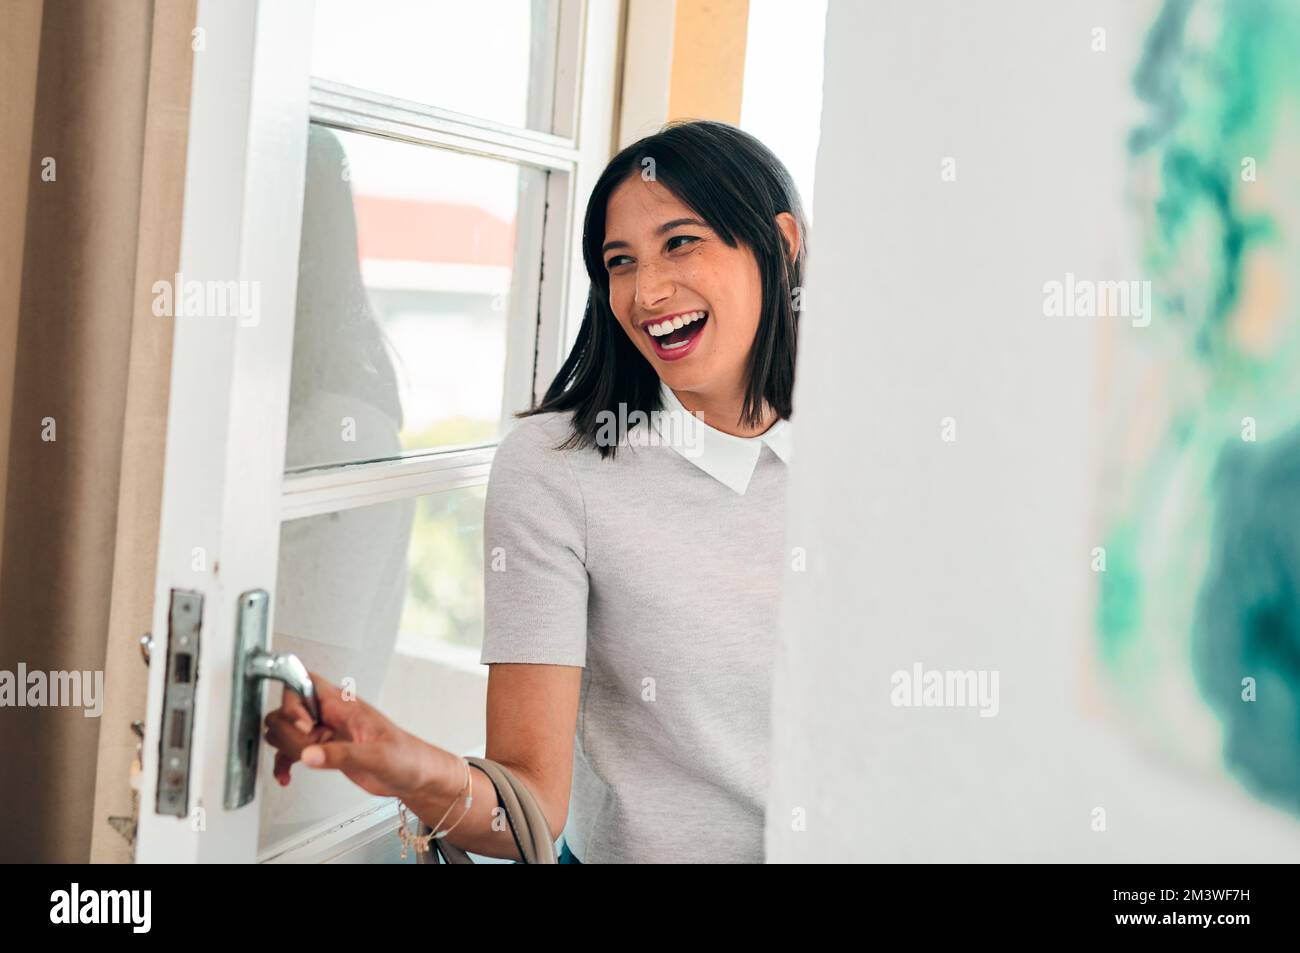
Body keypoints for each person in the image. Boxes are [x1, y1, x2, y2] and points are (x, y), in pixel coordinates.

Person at [263, 119, 808, 863]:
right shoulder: (558, 467)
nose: (647, 291)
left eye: (681, 242)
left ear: (779, 244)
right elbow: (529, 804)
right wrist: (402, 761)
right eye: (621, 262)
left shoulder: (863, 465)